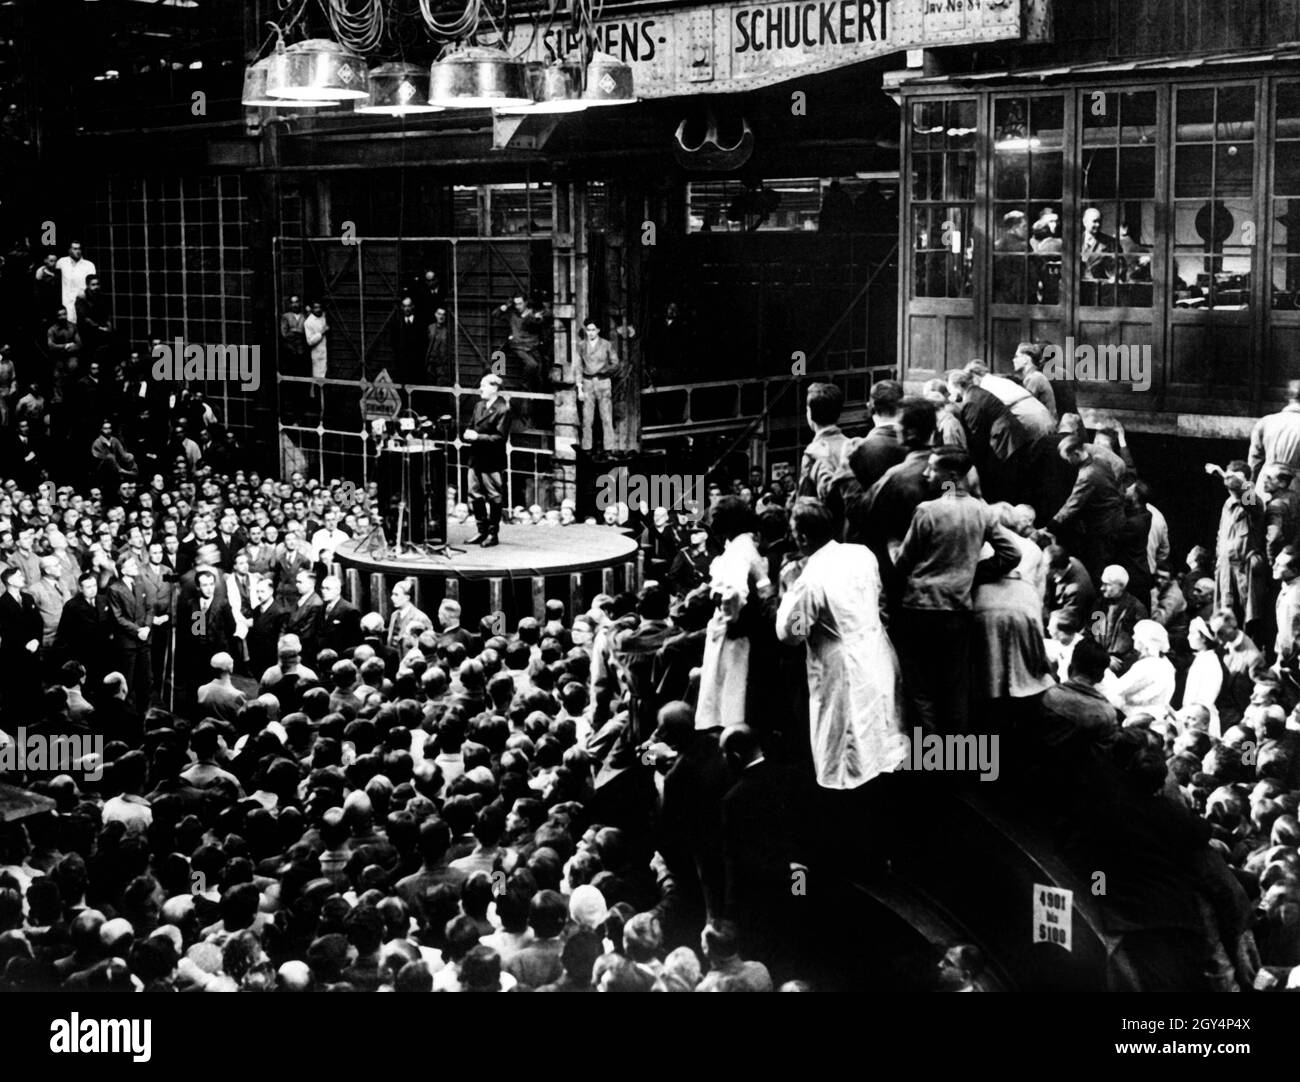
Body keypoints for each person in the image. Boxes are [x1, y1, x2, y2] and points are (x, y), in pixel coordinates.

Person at [776, 497, 908, 790]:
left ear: (803, 537)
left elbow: (791, 634)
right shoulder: (861, 554)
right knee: (879, 724)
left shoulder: (809, 579)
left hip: (841, 664)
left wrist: (787, 590)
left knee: (847, 738)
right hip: (874, 648)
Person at [893, 447, 1021, 734]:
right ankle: (956, 760)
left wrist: (892, 550)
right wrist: (973, 572)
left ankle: (929, 753)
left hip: (920, 609)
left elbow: (903, 562)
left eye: (932, 468)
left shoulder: (928, 511)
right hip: (957, 611)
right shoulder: (982, 511)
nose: (927, 474)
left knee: (921, 686)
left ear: (951, 475)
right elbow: (1011, 554)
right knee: (954, 687)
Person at [695, 498, 775, 732]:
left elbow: (734, 592)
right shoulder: (740, 545)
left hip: (732, 632)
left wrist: (731, 617)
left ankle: (729, 734)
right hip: (731, 630)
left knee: (730, 691)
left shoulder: (740, 549)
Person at [463, 374, 511, 549]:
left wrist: (477, 437)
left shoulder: (503, 409)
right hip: (475, 458)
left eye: (483, 386)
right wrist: (468, 433)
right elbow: (471, 425)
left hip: (491, 460)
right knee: (474, 493)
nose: (480, 389)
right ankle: (481, 530)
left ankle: (493, 534)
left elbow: (500, 438)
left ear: (494, 388)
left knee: (494, 496)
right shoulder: (479, 406)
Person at [104, 555, 153, 712]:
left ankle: (144, 713)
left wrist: (147, 627)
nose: (136, 567)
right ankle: (127, 716)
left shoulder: (140, 583)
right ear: (123, 570)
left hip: (144, 640)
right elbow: (118, 618)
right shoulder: (114, 589)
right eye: (132, 565)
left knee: (146, 680)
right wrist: (138, 630)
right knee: (129, 682)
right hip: (128, 643)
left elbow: (150, 608)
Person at [1106, 620, 1176, 721]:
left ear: (1144, 640)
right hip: (1158, 717)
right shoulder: (1167, 664)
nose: (1133, 637)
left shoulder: (1145, 665)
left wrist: (1105, 671)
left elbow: (1118, 690)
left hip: (1139, 718)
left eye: (1136, 634)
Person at [574, 318, 620, 453]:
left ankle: (609, 448)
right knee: (587, 419)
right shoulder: (581, 345)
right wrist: (579, 388)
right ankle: (587, 448)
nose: (591, 333)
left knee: (606, 417)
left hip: (603, 382)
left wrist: (605, 370)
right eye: (588, 330)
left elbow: (615, 363)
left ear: (598, 330)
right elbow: (578, 367)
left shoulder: (606, 345)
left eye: (593, 330)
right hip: (588, 383)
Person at [55, 241, 96, 326]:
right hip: (66, 305)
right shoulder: (61, 262)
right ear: (69, 250)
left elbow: (92, 286)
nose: (78, 251)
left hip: (82, 306)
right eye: (75, 249)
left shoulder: (89, 265)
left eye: (79, 249)